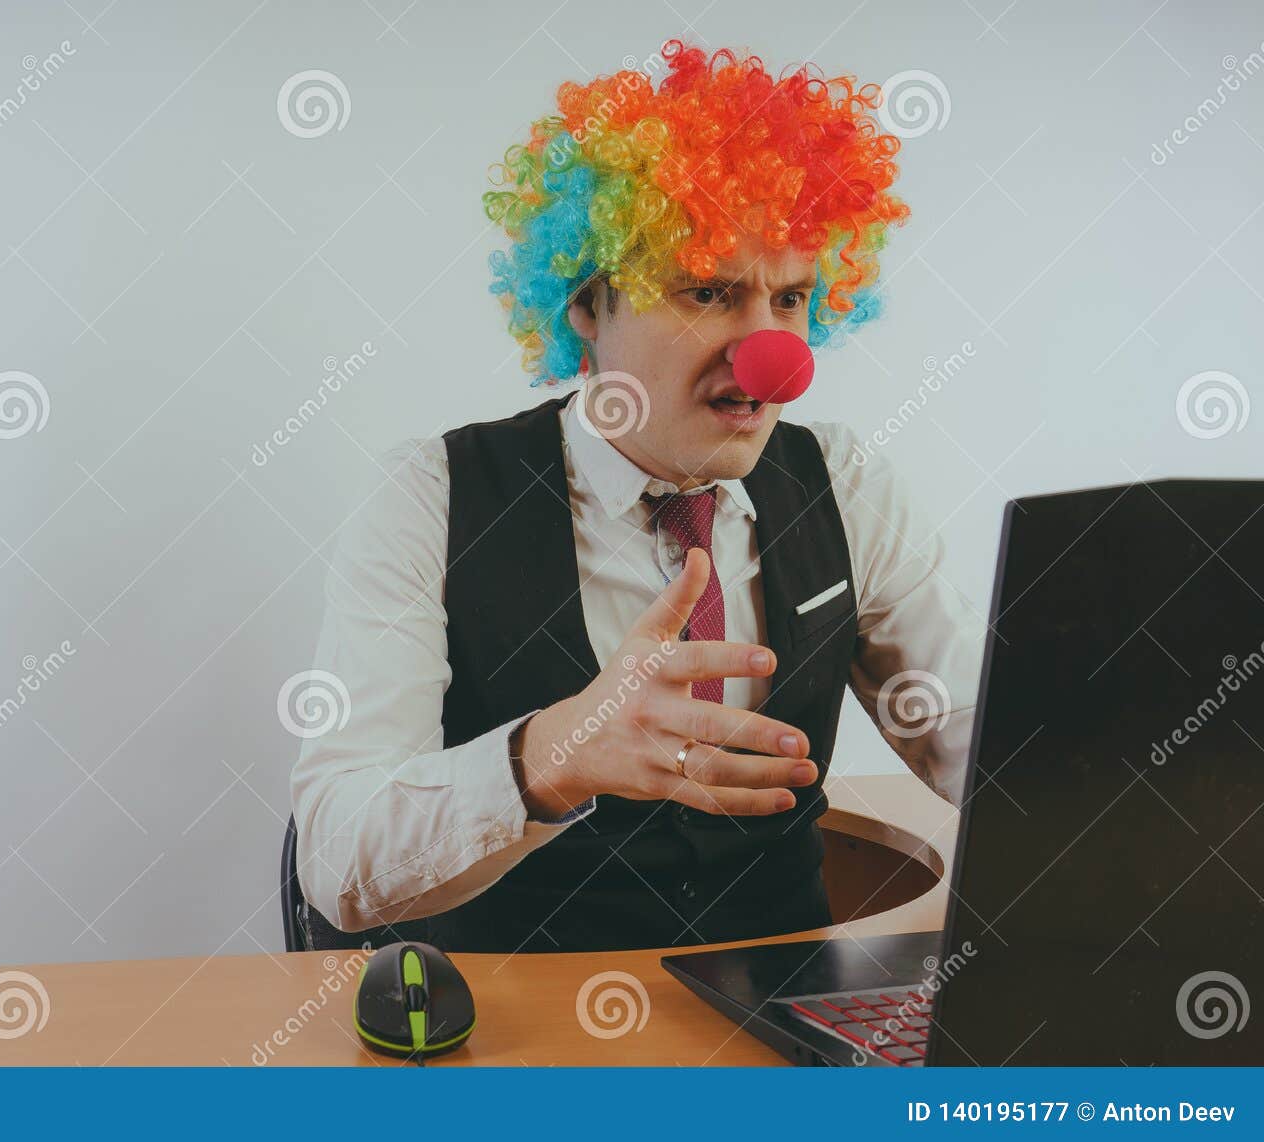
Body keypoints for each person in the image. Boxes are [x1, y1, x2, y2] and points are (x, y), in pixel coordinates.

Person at [289, 38, 985, 953]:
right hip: (518, 1019)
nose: (771, 355)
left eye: (790, 299)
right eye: (709, 292)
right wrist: (554, 756)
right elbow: (336, 859)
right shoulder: (432, 497)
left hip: (781, 1007)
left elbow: (984, 748)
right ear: (587, 305)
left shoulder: (845, 484)